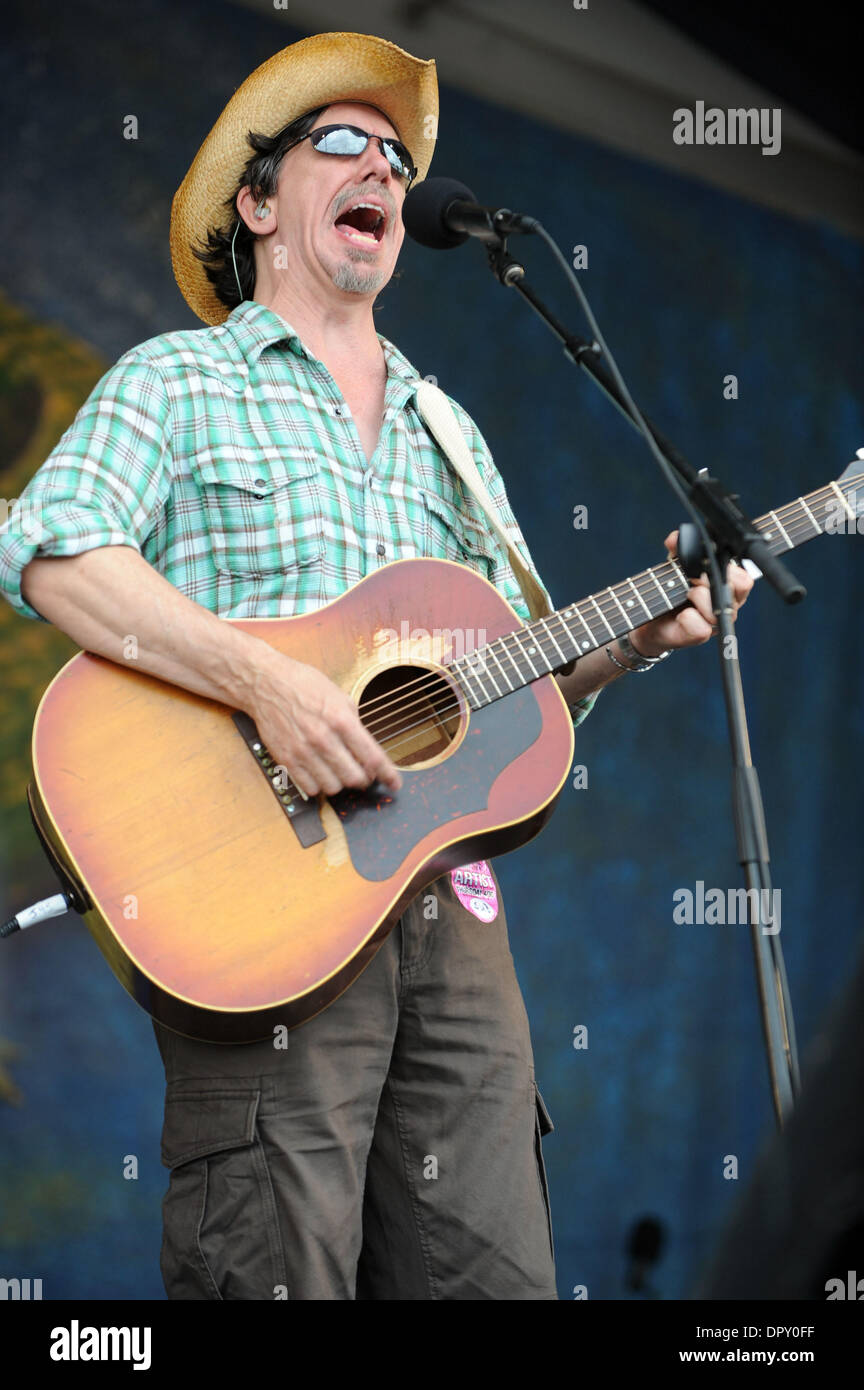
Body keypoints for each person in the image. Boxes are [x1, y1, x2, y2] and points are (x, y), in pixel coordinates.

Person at [0, 32, 752, 1299]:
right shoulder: (179, 381)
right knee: (275, 1264)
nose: (386, 172)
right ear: (257, 204)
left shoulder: (449, 431)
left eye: (399, 160)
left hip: (449, 915)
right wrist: (268, 685)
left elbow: (514, 687)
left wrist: (635, 637)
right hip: (261, 911)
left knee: (495, 1277)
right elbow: (51, 552)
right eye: (343, 142)